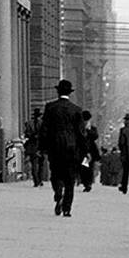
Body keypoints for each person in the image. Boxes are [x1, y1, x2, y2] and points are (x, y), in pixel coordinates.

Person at [39, 79, 86, 218]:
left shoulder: (50, 107)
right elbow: (81, 133)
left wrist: (42, 147)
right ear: (69, 93)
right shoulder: (76, 110)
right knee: (70, 178)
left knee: (56, 173)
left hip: (54, 146)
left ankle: (58, 192)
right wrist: (84, 150)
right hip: (72, 147)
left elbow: (44, 129)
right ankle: (67, 209)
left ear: (58, 91)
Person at [80, 111, 101, 190]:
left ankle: (87, 183)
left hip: (89, 151)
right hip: (82, 150)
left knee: (87, 167)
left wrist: (88, 130)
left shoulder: (91, 128)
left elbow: (95, 136)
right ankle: (86, 182)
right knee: (84, 167)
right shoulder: (79, 127)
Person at [24, 108, 45, 187]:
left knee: (34, 164)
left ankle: (36, 180)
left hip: (32, 145)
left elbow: (26, 133)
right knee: (40, 164)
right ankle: (39, 179)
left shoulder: (29, 123)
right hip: (40, 145)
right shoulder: (43, 123)